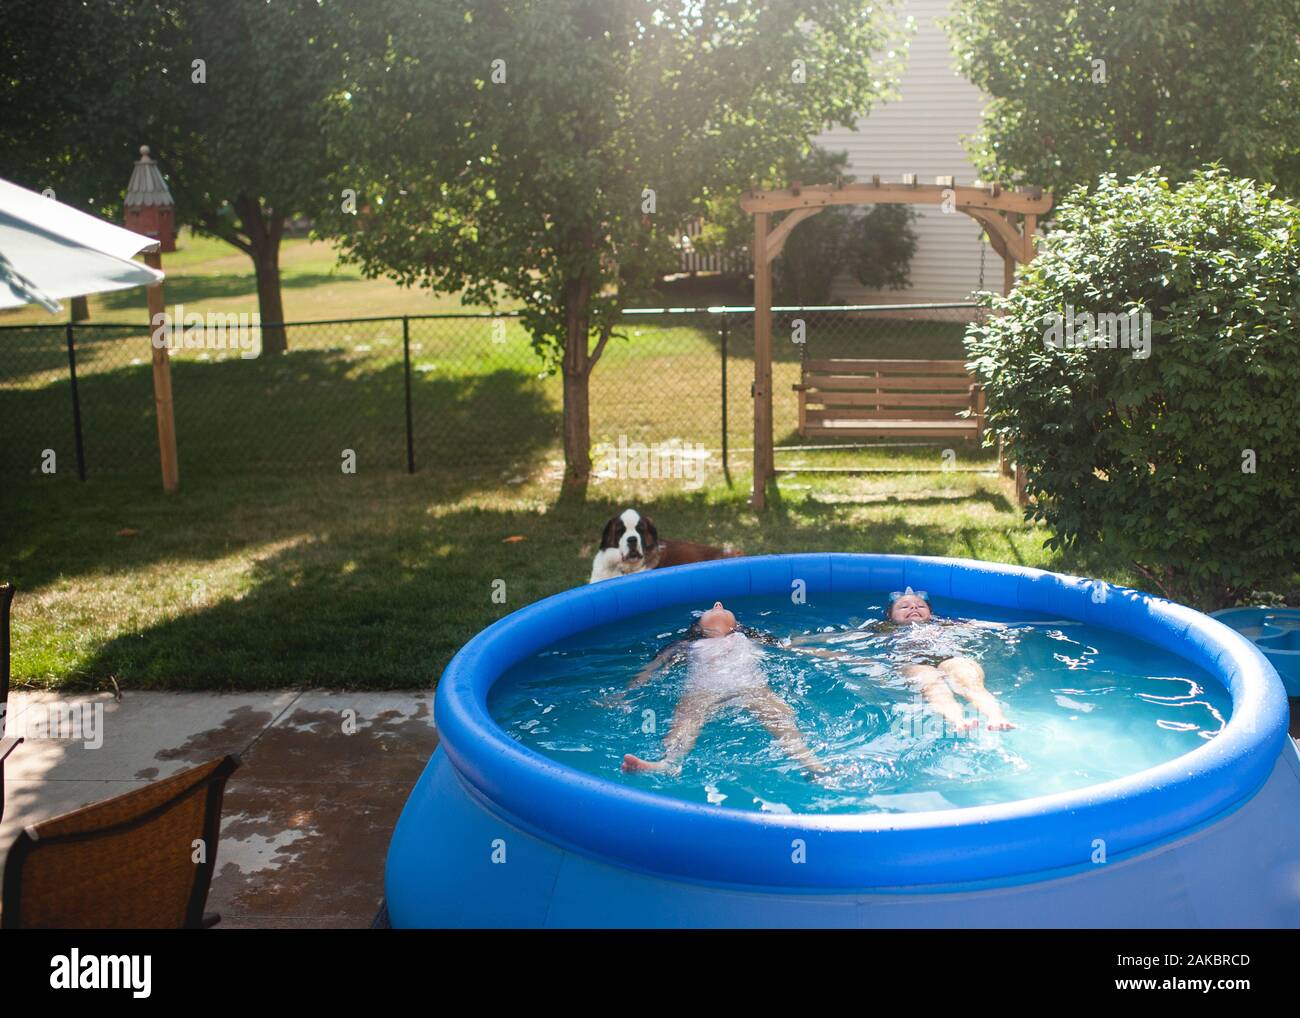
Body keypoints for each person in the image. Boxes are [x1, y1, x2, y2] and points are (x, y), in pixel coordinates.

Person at [612, 601, 826, 778]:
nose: (718, 604)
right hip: (705, 691)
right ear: (698, 628)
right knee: (686, 721)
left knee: (778, 719)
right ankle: (668, 762)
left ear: (737, 626)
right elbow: (650, 670)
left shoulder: (748, 638)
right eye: (713, 609)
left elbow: (797, 648)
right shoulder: (686, 645)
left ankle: (814, 767)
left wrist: (846, 657)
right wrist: (625, 693)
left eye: (720, 607)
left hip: (750, 687)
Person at [789, 587, 1014, 732]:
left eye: (920, 606)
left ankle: (995, 717)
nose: (913, 608)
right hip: (912, 662)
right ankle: (957, 720)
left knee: (966, 677)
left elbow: (981, 626)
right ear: (890, 615)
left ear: (930, 612)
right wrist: (804, 640)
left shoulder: (945, 624)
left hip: (949, 656)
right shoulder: (882, 629)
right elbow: (844, 636)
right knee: (931, 682)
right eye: (904, 607)